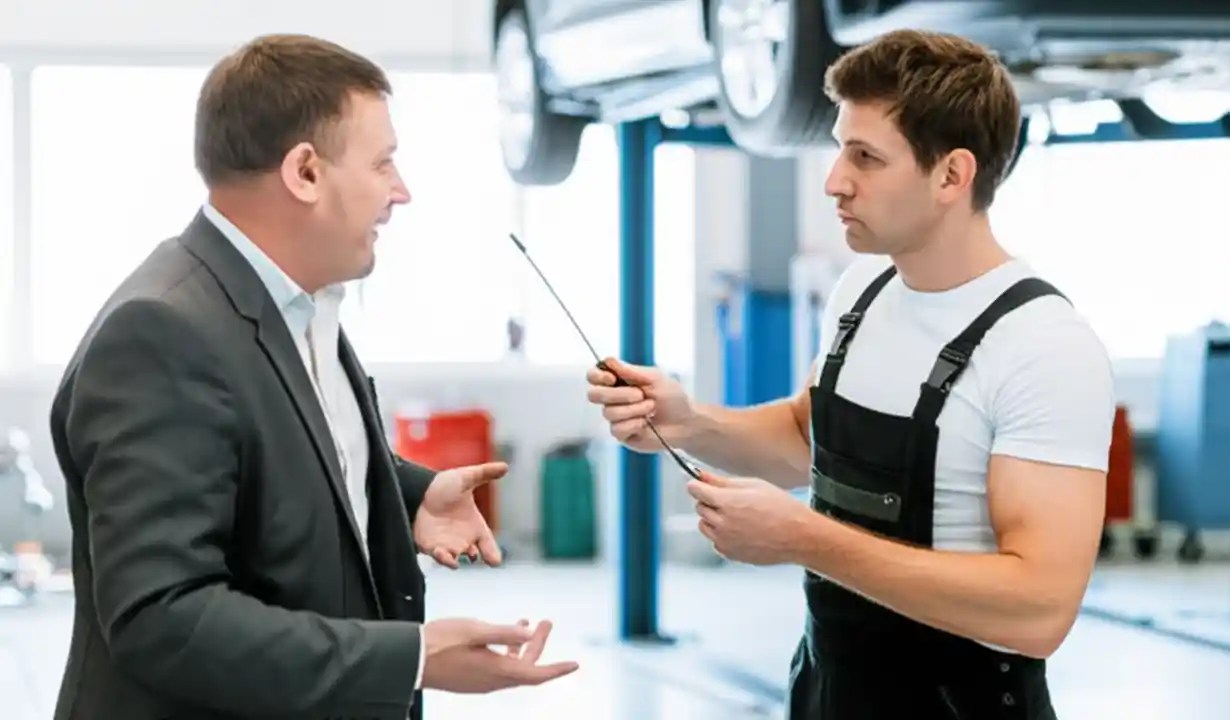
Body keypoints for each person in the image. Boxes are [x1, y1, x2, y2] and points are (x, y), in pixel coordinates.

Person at [586, 29, 1114, 720]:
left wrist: (802, 538)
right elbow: (810, 437)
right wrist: (688, 423)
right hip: (828, 690)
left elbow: (1038, 608)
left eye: (866, 157)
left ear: (953, 175)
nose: (835, 179)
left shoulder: (1042, 346)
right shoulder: (862, 291)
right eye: (840, 147)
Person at [49, 34, 578, 720]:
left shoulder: (290, 298)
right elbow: (163, 616)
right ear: (304, 173)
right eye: (384, 163)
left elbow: (267, 446)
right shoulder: (161, 334)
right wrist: (413, 658)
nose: (402, 192)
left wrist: (406, 493)